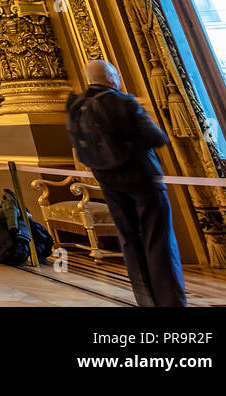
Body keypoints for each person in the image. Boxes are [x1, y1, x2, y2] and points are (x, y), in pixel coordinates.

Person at [66, 59, 186, 306]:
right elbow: (157, 137)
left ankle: (146, 300)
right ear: (110, 77)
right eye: (116, 74)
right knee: (158, 240)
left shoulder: (77, 106)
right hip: (142, 180)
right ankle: (170, 301)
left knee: (130, 240)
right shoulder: (124, 102)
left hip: (109, 182)